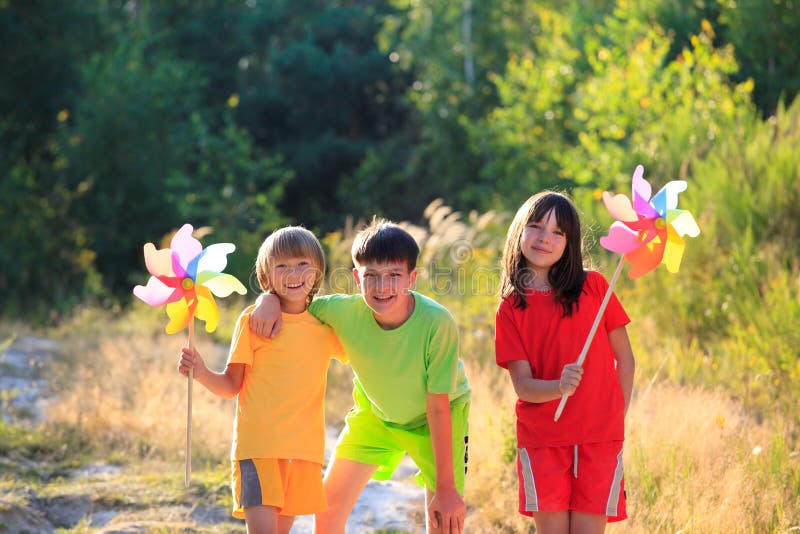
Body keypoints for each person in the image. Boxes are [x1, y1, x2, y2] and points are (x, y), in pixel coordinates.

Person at [249, 218, 471, 534]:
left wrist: (446, 489)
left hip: (436, 418)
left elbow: (438, 406)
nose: (382, 287)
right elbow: (296, 304)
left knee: (443, 519)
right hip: (375, 417)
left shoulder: (437, 323)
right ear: (356, 277)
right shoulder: (341, 311)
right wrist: (267, 299)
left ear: (412, 278)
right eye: (371, 276)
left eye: (394, 275)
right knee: (326, 507)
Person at [177, 226, 344, 534]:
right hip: (259, 448)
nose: (293, 273)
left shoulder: (326, 325)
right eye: (282, 266)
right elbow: (231, 386)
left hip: (303, 452)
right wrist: (201, 372)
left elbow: (367, 349)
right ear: (266, 276)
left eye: (303, 264)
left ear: (318, 270)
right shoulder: (252, 321)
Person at [494, 192, 635, 533]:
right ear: (519, 231)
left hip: (598, 438)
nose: (545, 238)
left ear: (570, 243)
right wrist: (558, 387)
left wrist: (616, 416)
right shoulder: (510, 308)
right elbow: (523, 386)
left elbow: (626, 360)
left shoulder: (595, 287)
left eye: (558, 232)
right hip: (543, 439)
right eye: (536, 226)